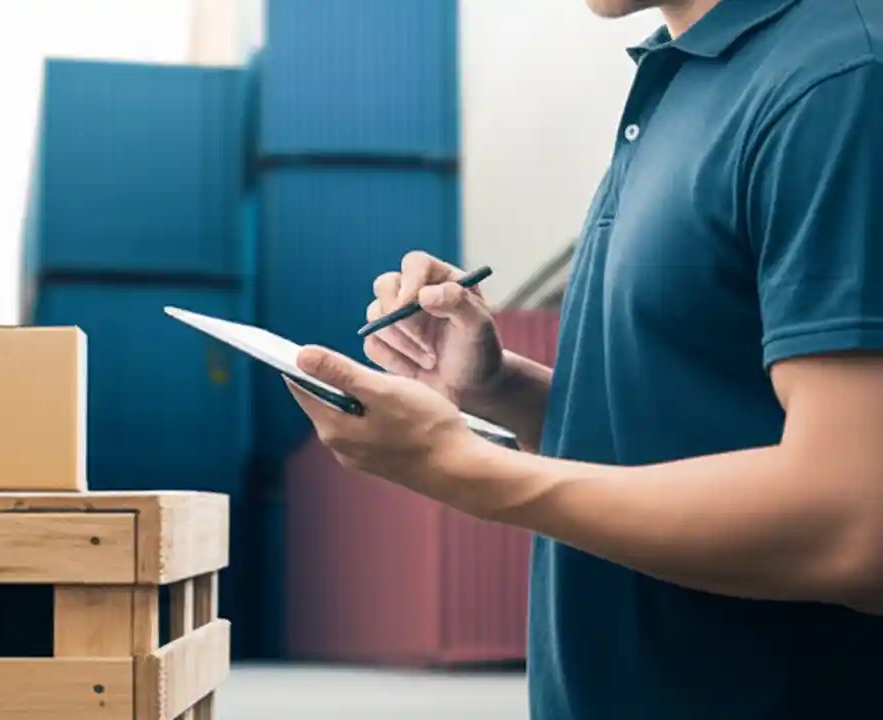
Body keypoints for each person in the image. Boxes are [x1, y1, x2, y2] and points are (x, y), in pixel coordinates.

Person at [286, 0, 883, 717]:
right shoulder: (685, 78)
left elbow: (854, 525)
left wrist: (464, 470)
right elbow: (692, 426)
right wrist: (500, 387)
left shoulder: (842, 78)